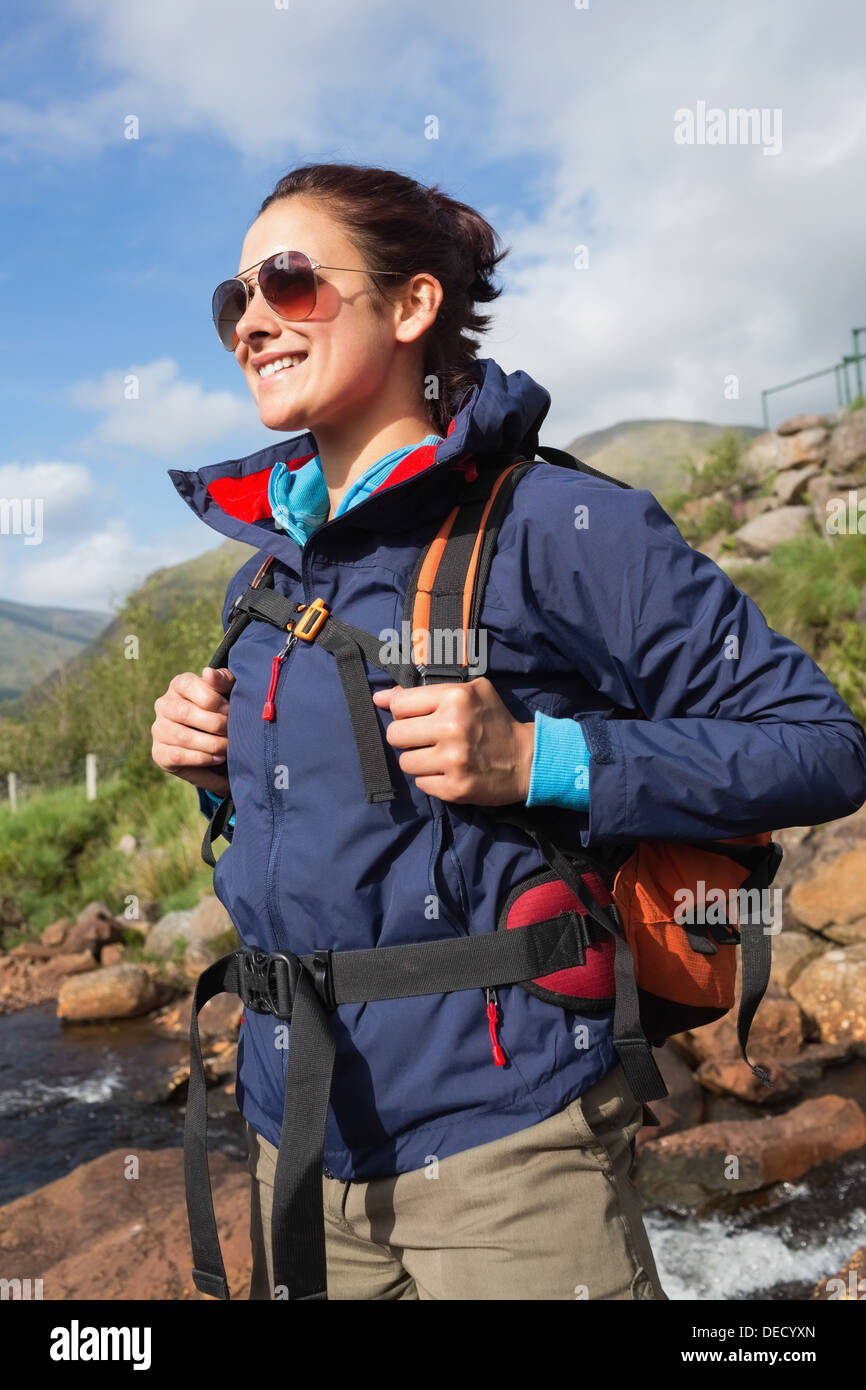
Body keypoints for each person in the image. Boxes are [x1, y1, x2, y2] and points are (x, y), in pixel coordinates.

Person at [152, 162, 866, 1301]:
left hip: (508, 1153)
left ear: (410, 305)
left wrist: (542, 759)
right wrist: (214, 769)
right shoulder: (261, 578)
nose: (248, 319)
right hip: (296, 1144)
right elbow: (342, 833)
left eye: (286, 281)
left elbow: (819, 743)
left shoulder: (556, 525)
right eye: (229, 297)